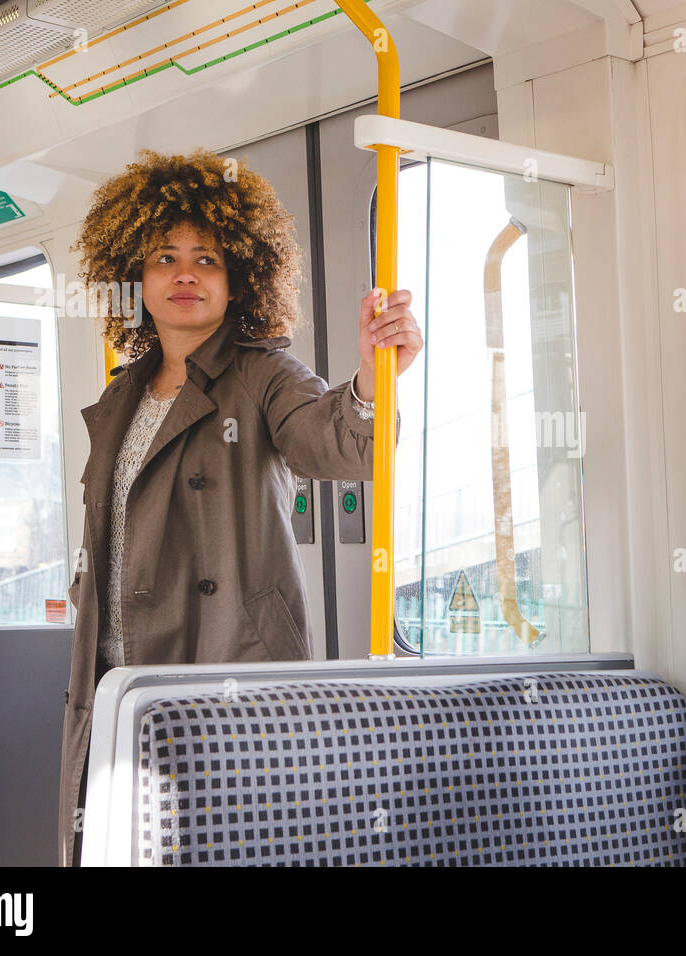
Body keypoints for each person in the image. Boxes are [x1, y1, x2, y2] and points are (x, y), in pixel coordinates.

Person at [57, 148, 422, 866]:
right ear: (135, 276)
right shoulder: (119, 396)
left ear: (240, 278)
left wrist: (375, 380)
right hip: (115, 678)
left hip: (222, 670)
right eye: (164, 257)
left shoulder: (263, 374)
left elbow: (336, 445)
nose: (185, 273)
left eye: (208, 259)